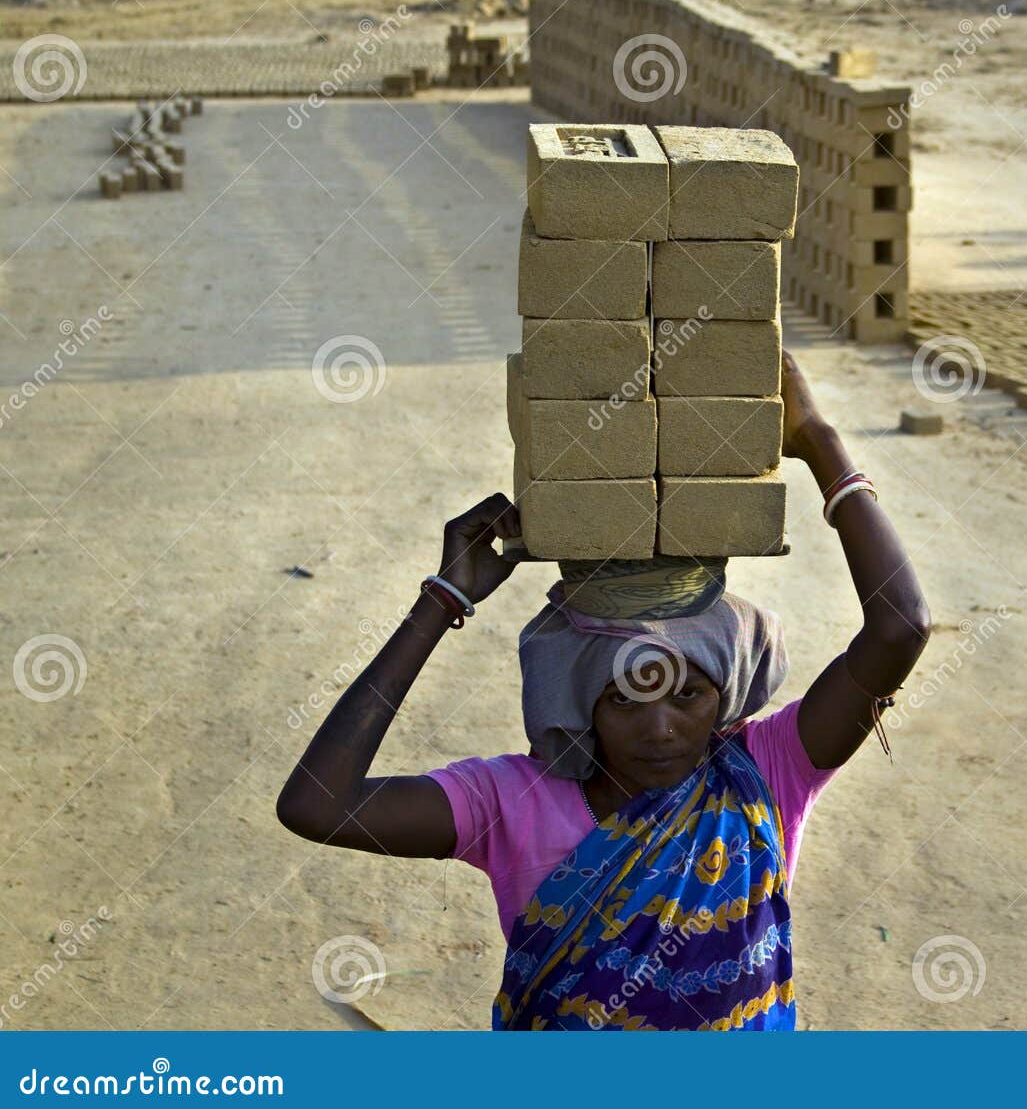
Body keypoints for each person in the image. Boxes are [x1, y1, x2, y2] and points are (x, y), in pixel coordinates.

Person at [276, 352, 931, 1031]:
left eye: (689, 695)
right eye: (624, 698)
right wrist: (442, 599)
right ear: (575, 697)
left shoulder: (764, 770)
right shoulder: (512, 803)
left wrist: (818, 439)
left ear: (728, 690)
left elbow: (901, 626)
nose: (661, 729)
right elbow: (318, 804)